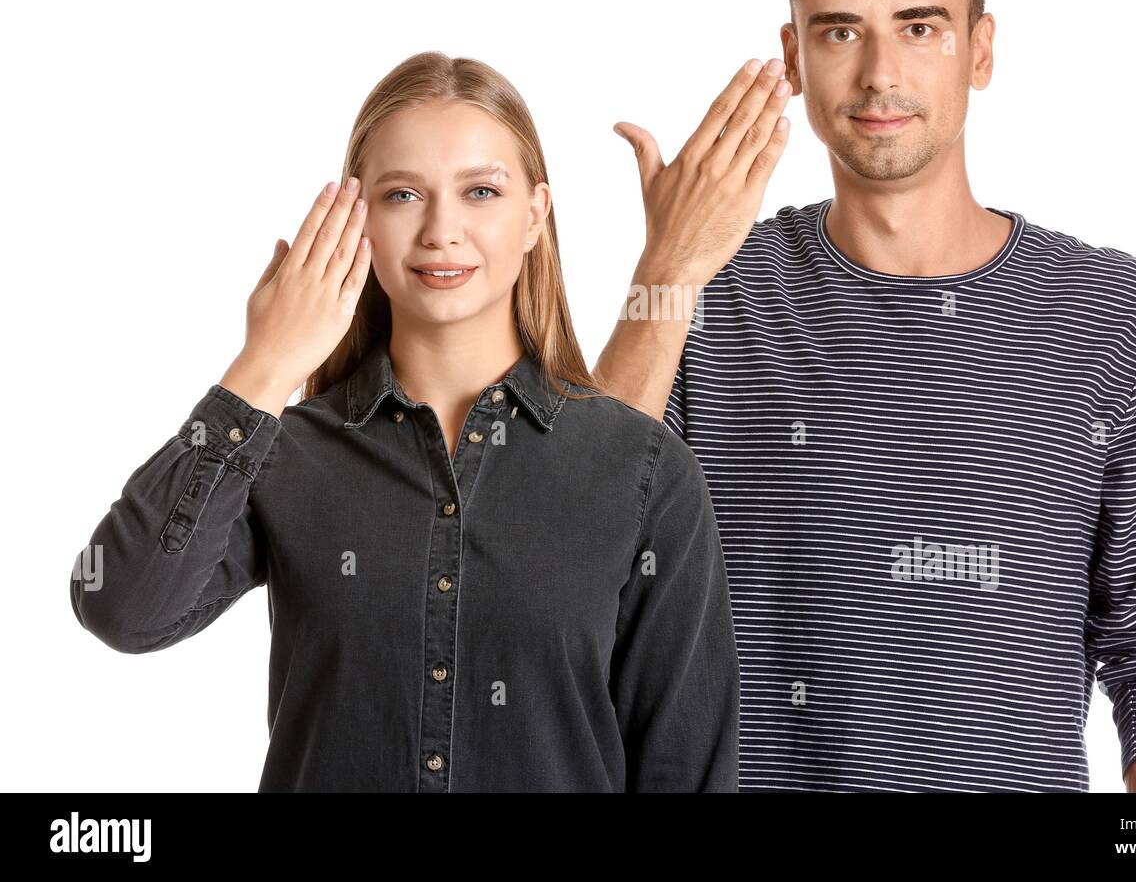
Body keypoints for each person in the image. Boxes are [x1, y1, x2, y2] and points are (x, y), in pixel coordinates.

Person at [596, 0, 1136, 792]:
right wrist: (666, 270)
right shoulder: (708, 293)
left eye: (920, 28)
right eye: (840, 30)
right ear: (795, 55)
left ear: (980, 49)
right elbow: (571, 564)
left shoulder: (1119, 314)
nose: (879, 73)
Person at [69, 51, 739, 793]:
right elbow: (122, 608)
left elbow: (687, 769)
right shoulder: (287, 453)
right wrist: (263, 366)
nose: (441, 231)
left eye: (481, 190)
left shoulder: (644, 471)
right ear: (357, 219)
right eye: (402, 195)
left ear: (534, 216)